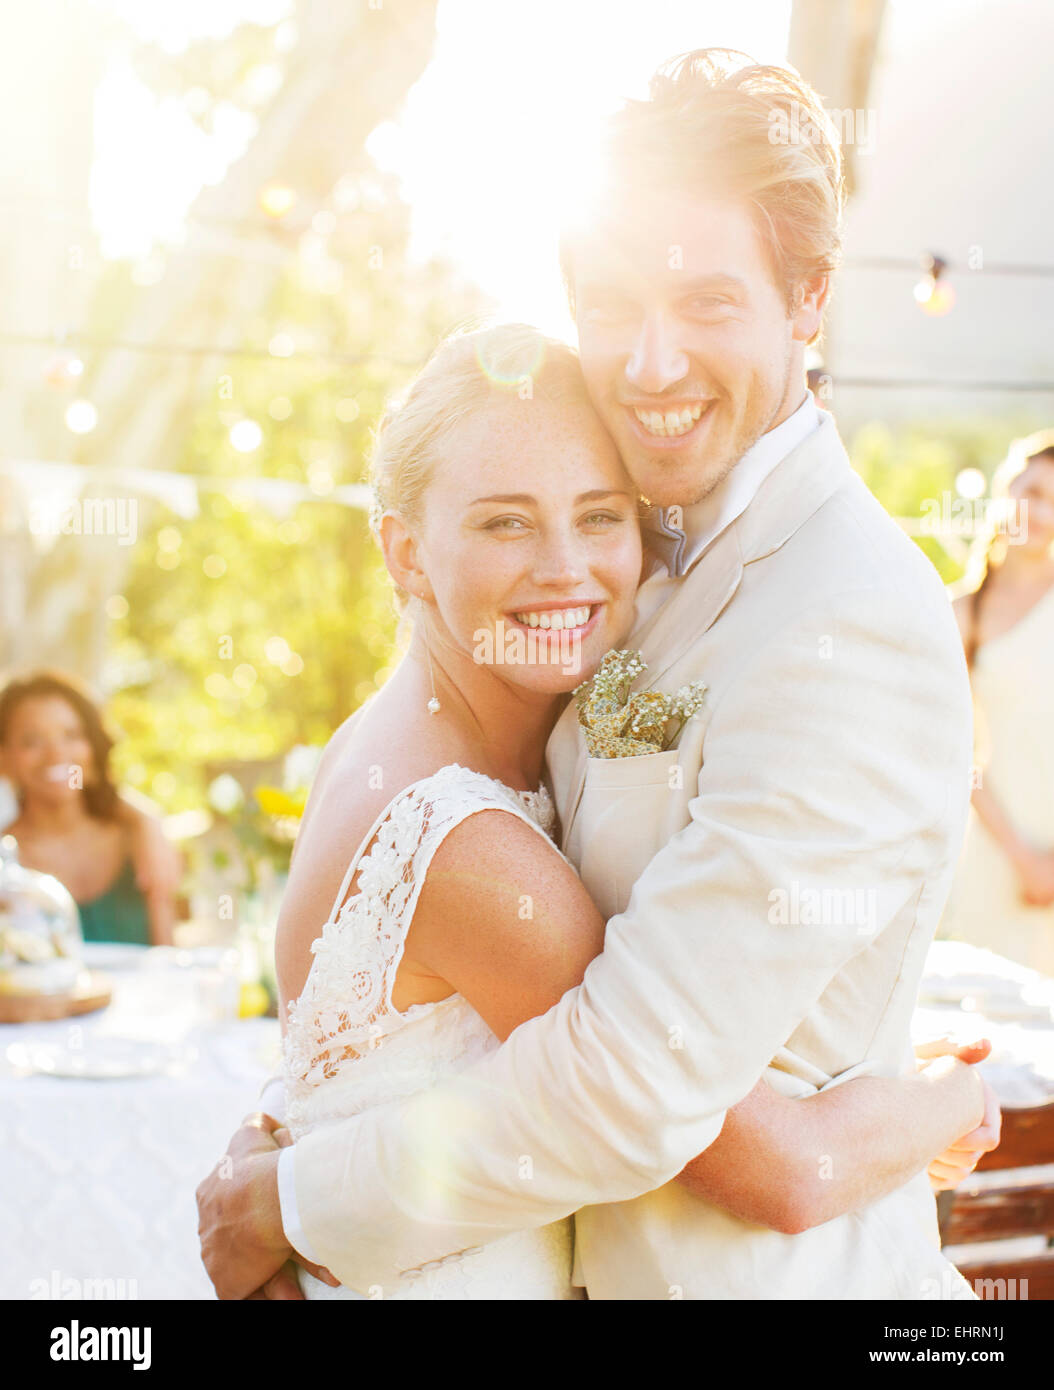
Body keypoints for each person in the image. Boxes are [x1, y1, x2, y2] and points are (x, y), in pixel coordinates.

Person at [198, 51, 998, 1301]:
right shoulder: (633, 551)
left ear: (809, 299)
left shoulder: (855, 618)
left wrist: (299, 1203)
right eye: (612, 304)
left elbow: (640, 1074)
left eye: (707, 305)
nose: (650, 363)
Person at [941, 430, 1054, 976]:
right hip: (996, 848)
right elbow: (953, 751)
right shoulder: (964, 613)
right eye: (1032, 492)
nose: (1040, 512)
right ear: (1006, 492)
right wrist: (1024, 859)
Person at [0, 671, 178, 945]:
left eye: (71, 735)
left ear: (93, 746)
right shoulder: (6, 862)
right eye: (32, 741)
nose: (56, 754)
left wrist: (148, 821)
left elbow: (167, 959)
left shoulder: (138, 840)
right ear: (5, 757)